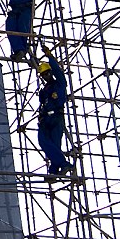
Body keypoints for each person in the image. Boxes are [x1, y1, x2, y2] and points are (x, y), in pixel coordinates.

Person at [36, 48, 75, 178]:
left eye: (47, 73)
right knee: (44, 141)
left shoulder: (59, 84)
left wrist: (50, 57)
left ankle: (55, 169)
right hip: (46, 119)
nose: (46, 76)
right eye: (43, 75)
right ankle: (61, 165)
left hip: (57, 117)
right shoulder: (44, 90)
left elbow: (58, 71)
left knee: (55, 144)